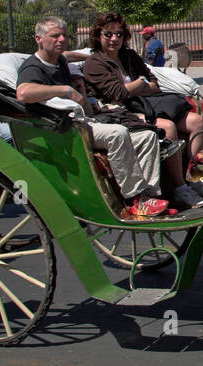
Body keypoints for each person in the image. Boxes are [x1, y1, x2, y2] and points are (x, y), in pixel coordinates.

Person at [14, 17, 170, 219]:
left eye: (64, 35)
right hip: (66, 127)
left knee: (147, 136)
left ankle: (149, 197)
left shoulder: (59, 59)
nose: (62, 39)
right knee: (117, 133)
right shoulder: (33, 67)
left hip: (85, 120)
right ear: (38, 39)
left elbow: (67, 55)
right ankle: (135, 197)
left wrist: (86, 57)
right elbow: (23, 92)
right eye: (55, 36)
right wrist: (65, 90)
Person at [80, 12, 203, 206]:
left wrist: (137, 85)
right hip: (123, 111)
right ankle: (179, 188)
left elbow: (153, 83)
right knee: (168, 127)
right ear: (97, 35)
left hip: (149, 104)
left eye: (119, 34)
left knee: (198, 122)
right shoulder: (94, 63)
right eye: (108, 34)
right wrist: (140, 83)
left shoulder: (129, 56)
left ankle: (196, 177)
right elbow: (117, 93)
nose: (114, 39)